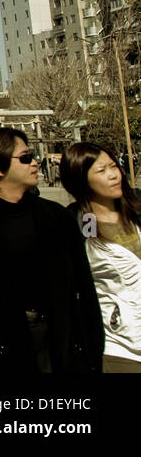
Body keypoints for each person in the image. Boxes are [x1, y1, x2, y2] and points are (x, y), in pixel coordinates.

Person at [0, 127, 103, 374]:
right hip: (0, 354)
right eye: (25, 158)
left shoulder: (58, 217)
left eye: (32, 155)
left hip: (61, 348)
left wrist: (91, 352)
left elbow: (84, 292)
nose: (35, 162)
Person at [57, 141, 141, 372]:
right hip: (122, 347)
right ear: (81, 179)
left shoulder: (135, 211)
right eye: (102, 171)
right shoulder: (85, 223)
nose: (114, 175)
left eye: (113, 166)